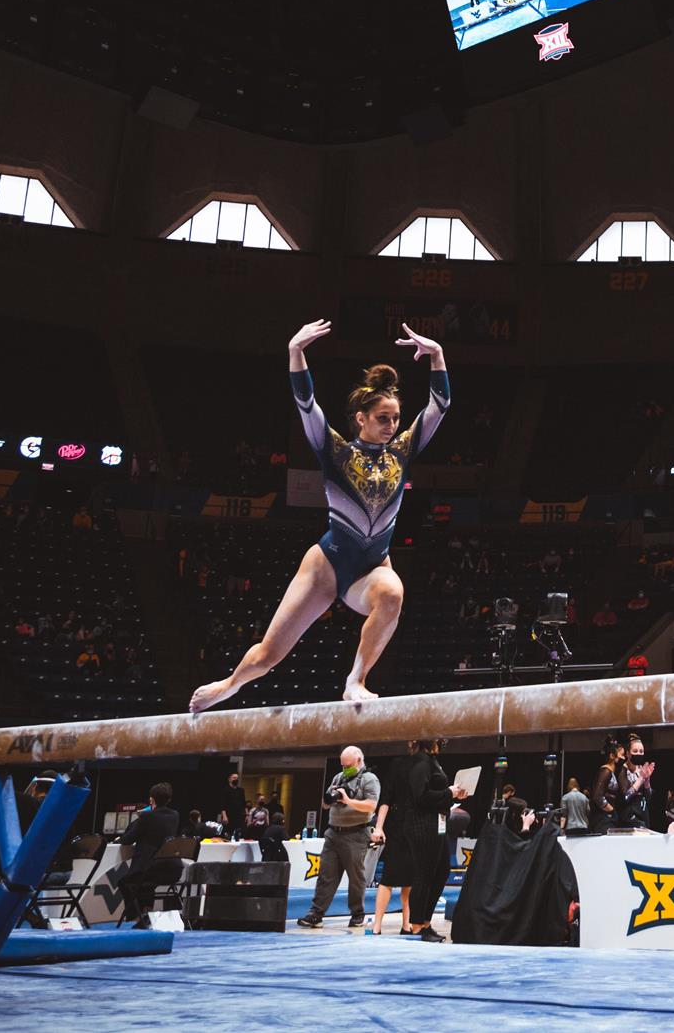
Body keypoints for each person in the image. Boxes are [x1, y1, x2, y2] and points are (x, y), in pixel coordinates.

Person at [191, 320, 449, 711]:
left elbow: (440, 406)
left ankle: (356, 680)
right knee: (268, 656)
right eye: (383, 418)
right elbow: (306, 406)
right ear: (361, 418)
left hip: (372, 567)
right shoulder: (336, 452)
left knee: (393, 593)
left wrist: (438, 356)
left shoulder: (402, 451)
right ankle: (230, 684)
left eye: (396, 419)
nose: (392, 426)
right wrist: (296, 352)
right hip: (328, 564)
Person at [376, 738, 469, 940]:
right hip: (422, 825)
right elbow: (420, 797)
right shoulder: (420, 762)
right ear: (430, 740)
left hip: (437, 823)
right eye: (438, 739)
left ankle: (425, 922)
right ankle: (417, 925)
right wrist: (448, 792)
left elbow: (433, 793)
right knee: (424, 875)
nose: (442, 741)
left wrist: (452, 795)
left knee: (442, 871)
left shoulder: (431, 761)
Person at [297, 745, 381, 930]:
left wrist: (348, 801)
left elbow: (371, 806)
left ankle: (357, 914)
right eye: (342, 765)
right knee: (326, 876)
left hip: (356, 834)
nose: (345, 769)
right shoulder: (338, 777)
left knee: (356, 878)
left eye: (348, 765)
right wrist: (330, 797)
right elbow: (325, 805)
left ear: (359, 761)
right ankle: (315, 914)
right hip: (333, 833)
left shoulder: (369, 779)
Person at [116, 782, 183, 924]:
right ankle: (147, 912)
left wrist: (142, 817)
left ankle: (135, 916)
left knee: (126, 882)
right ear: (169, 799)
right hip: (173, 870)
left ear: (151, 800)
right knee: (148, 883)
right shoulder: (175, 816)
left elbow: (127, 840)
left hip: (151, 869)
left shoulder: (146, 817)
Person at [595, 734, 654, 829]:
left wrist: (647, 780)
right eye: (635, 751)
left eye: (641, 751)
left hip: (642, 811)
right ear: (628, 754)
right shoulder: (622, 770)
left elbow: (648, 797)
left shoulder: (641, 769)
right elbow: (625, 796)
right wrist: (640, 780)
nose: (638, 753)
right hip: (628, 814)